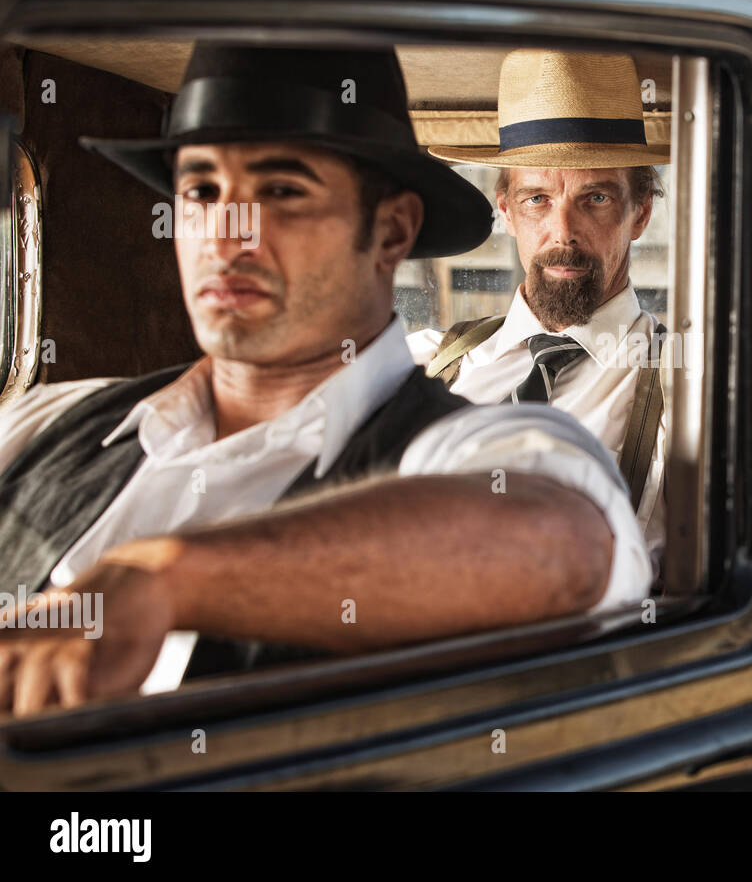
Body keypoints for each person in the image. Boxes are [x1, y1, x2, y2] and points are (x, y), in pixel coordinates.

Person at [0, 42, 651, 718]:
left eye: (281, 191)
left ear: (393, 230)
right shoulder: (39, 423)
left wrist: (163, 578)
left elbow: (557, 548)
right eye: (200, 190)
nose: (229, 234)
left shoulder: (475, 450)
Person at [409, 48, 670, 569]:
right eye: (537, 200)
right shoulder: (424, 364)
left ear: (639, 215)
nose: (563, 233)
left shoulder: (690, 386)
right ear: (505, 210)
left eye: (595, 199)